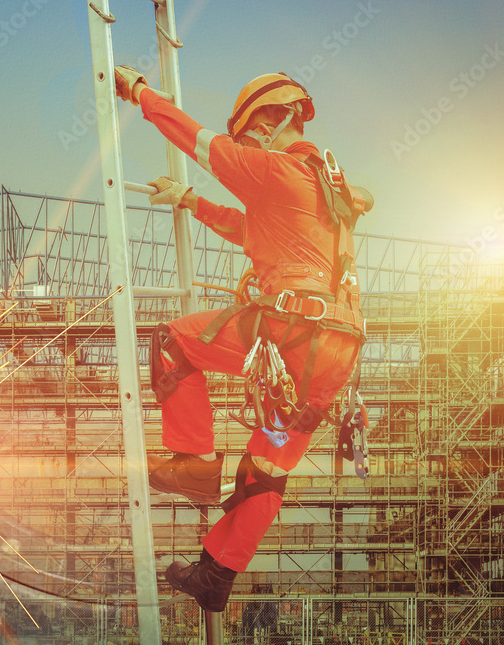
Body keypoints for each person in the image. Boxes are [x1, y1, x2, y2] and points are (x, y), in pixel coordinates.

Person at [114, 68, 372, 612]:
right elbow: (249, 229)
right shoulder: (326, 193)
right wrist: (189, 200)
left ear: (273, 120)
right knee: (266, 470)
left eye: (252, 132)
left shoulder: (275, 168)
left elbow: (194, 138)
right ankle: (216, 576)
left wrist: (139, 91)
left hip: (294, 332)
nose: (249, 144)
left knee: (174, 341)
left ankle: (196, 458)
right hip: (335, 354)